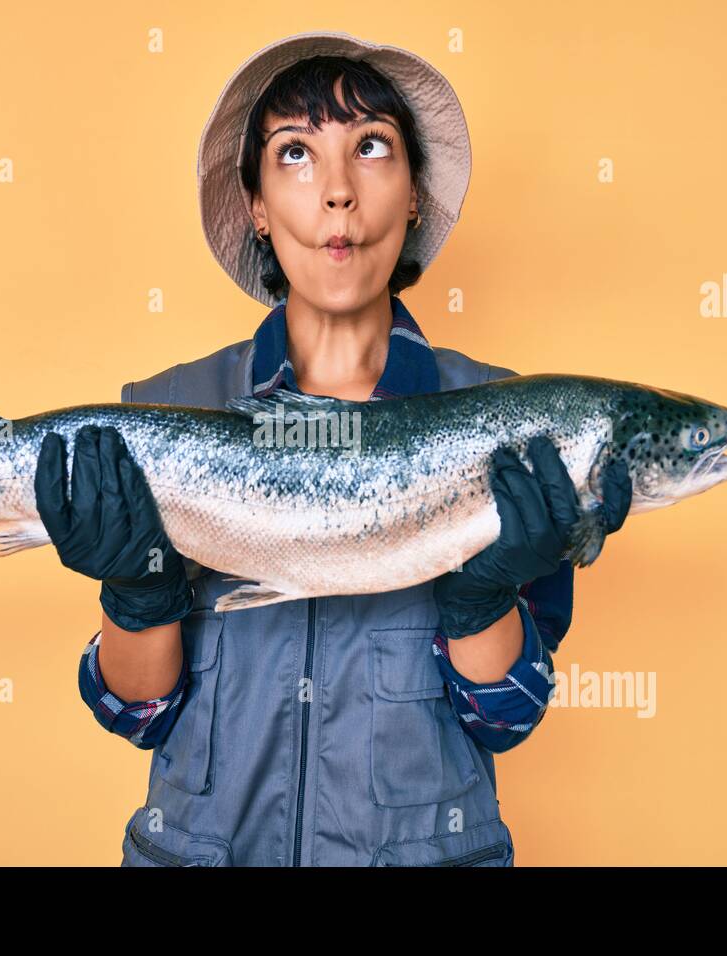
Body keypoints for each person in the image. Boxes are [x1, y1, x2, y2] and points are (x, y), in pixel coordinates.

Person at [35, 31, 632, 867]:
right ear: (255, 206)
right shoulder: (160, 411)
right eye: (295, 155)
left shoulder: (517, 429)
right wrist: (138, 593)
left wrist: (483, 596)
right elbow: (139, 714)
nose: (339, 192)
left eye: (372, 148)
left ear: (414, 194)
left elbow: (507, 716)